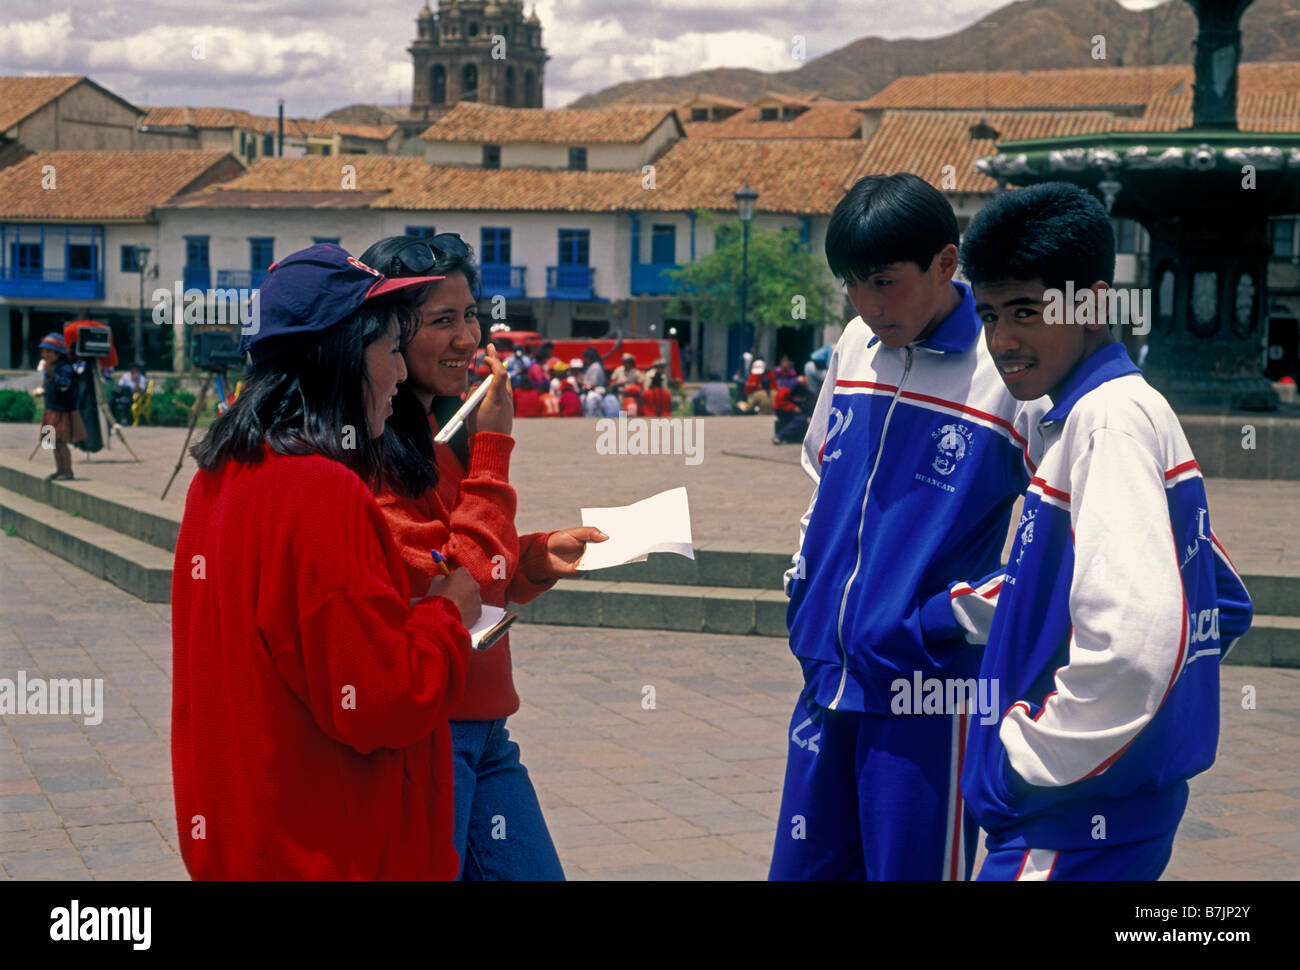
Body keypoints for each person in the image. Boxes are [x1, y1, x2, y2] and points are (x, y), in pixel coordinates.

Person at [957, 182, 1253, 881]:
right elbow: (1221, 598)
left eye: (1026, 311)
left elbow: (1137, 643)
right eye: (990, 314)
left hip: (1065, 825)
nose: (1003, 340)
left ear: (1090, 303)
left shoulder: (1105, 425)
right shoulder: (1127, 408)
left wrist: (1026, 758)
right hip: (1118, 816)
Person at [171, 244, 481, 880]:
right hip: (331, 853)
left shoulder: (219, 477)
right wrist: (447, 615)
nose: (400, 377)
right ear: (339, 355)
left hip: (250, 841)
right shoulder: (321, 492)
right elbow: (381, 698)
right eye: (391, 351)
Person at [771, 172, 1048, 882]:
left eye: (885, 283)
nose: (866, 306)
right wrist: (804, 584)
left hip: (929, 691)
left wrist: (943, 619)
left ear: (947, 264)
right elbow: (826, 481)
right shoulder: (853, 348)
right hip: (827, 676)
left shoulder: (1009, 372)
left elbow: (1063, 540)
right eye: (851, 286)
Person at [360, 233, 607, 881]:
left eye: (471, 315)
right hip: (433, 732)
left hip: (487, 723)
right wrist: (494, 449)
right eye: (442, 321)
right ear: (387, 334)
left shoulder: (444, 432)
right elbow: (452, 575)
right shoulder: (376, 448)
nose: (468, 339)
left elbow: (483, 568)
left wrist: (539, 558)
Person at [35, 333, 86, 481]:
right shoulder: (49, 368)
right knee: (51, 442)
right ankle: (59, 469)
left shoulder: (66, 369)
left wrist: (52, 374)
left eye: (48, 351)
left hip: (61, 412)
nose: (44, 355)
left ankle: (68, 470)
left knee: (60, 441)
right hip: (50, 410)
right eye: (43, 351)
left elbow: (65, 385)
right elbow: (48, 384)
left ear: (57, 353)